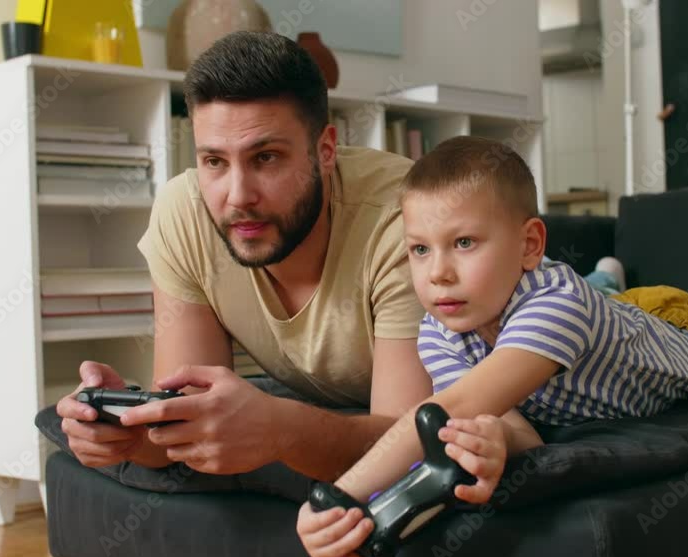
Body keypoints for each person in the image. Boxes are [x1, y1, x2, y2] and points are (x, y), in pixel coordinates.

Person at [295, 136, 688, 557]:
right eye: (420, 250)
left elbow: (452, 405)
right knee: (615, 301)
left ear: (531, 244)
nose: (437, 275)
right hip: (616, 321)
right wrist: (493, 443)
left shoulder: (555, 306)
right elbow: (512, 425)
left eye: (464, 243)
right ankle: (614, 283)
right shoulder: (441, 328)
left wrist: (340, 497)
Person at [54, 31, 437, 479]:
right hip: (321, 406)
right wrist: (133, 430)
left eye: (267, 157)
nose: (238, 197)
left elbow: (409, 448)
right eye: (214, 162)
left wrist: (282, 429)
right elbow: (185, 419)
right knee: (55, 421)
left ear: (325, 150)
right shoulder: (185, 213)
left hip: (469, 404)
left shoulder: (406, 218)